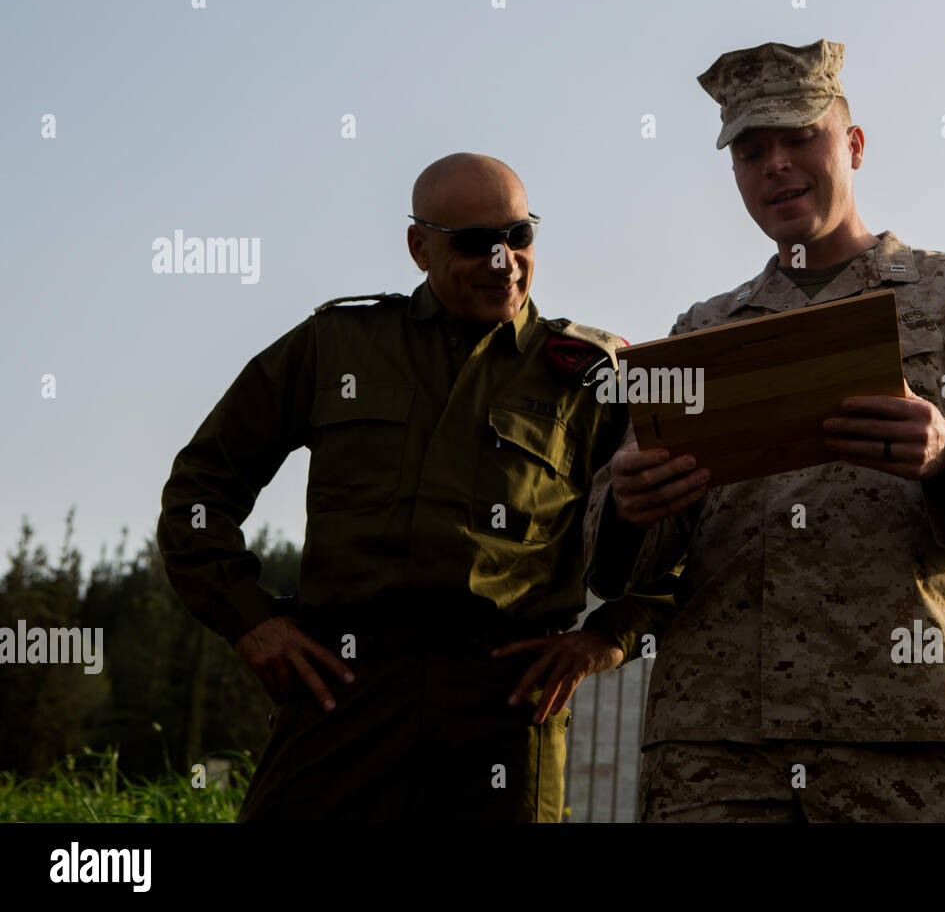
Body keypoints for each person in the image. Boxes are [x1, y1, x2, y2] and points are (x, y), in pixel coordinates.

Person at [582, 40, 945, 822]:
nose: (776, 166)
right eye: (752, 151)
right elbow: (638, 552)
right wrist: (626, 506)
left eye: (799, 139)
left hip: (907, 741)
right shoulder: (698, 333)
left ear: (852, 145)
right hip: (717, 755)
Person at [157, 152, 642, 822]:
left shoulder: (592, 376)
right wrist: (252, 621)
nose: (503, 261)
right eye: (474, 243)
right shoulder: (337, 347)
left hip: (506, 704)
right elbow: (202, 487)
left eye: (518, 236)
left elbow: (687, 517)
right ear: (419, 247)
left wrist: (611, 634)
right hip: (344, 688)